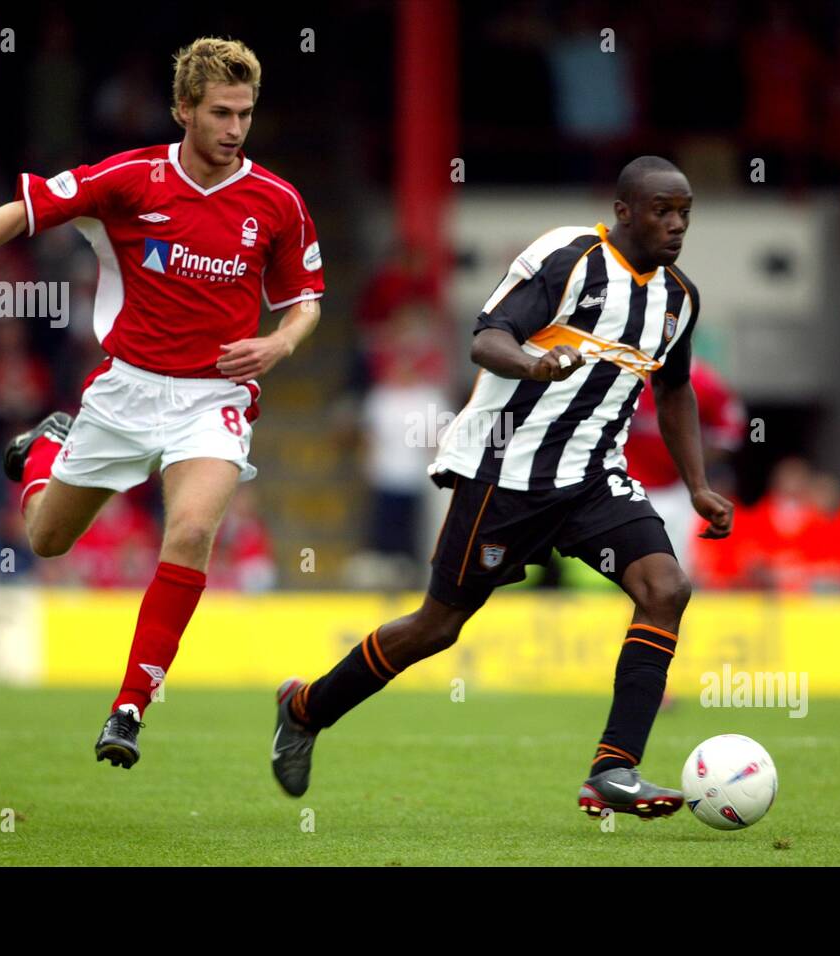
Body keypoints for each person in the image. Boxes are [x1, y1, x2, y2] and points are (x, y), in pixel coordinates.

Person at [271, 156, 734, 819]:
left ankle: (614, 768)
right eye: (663, 210)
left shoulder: (678, 299)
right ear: (625, 211)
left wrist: (697, 485)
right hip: (506, 475)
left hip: (594, 480)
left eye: (685, 212)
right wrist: (534, 364)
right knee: (437, 627)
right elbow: (487, 338)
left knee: (667, 588)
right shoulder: (569, 258)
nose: (677, 224)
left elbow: (675, 386)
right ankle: (306, 708)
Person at [0, 37, 325, 767]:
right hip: (127, 389)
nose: (235, 129)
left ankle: (130, 708)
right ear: (183, 110)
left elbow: (306, 302)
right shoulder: (131, 179)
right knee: (46, 538)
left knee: (193, 531)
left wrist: (280, 343)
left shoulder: (277, 201)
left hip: (215, 396)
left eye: (246, 113)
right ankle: (47, 446)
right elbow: (24, 207)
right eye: (220, 113)